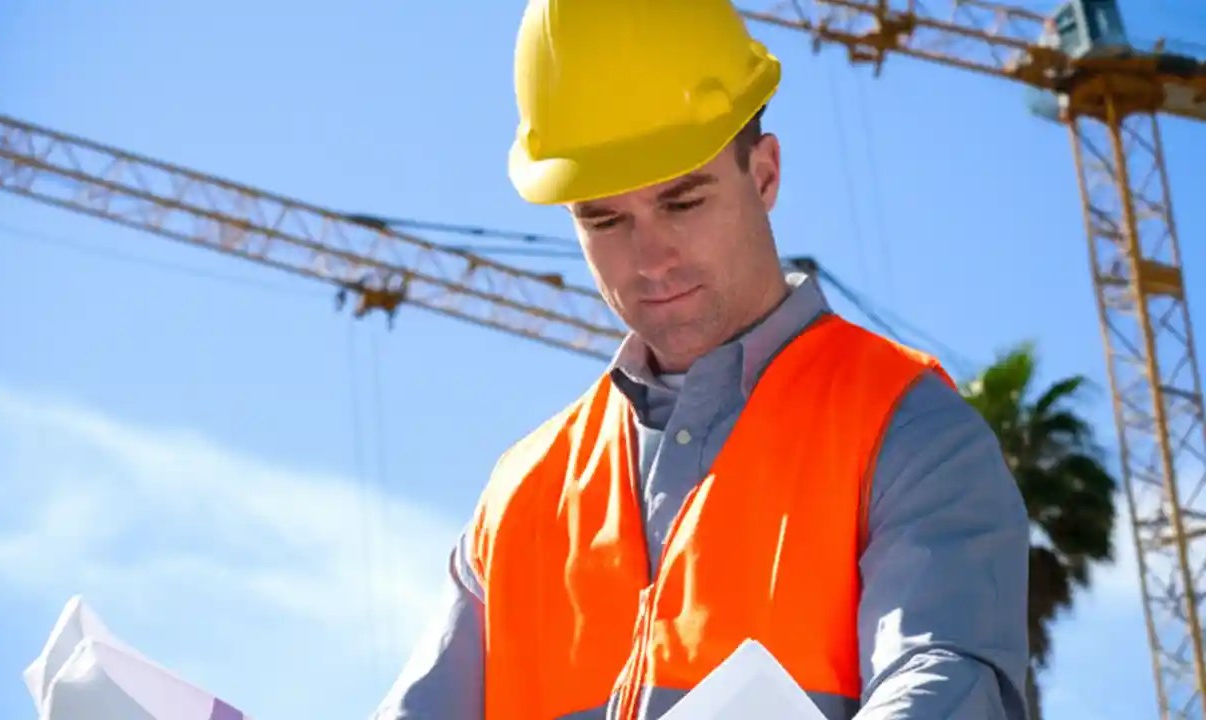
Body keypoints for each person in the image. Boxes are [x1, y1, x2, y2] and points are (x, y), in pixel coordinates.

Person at [373, 1, 1029, 718]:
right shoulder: (519, 499)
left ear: (766, 174)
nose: (651, 259)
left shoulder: (905, 428)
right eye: (605, 219)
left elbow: (941, 683)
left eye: (682, 202)